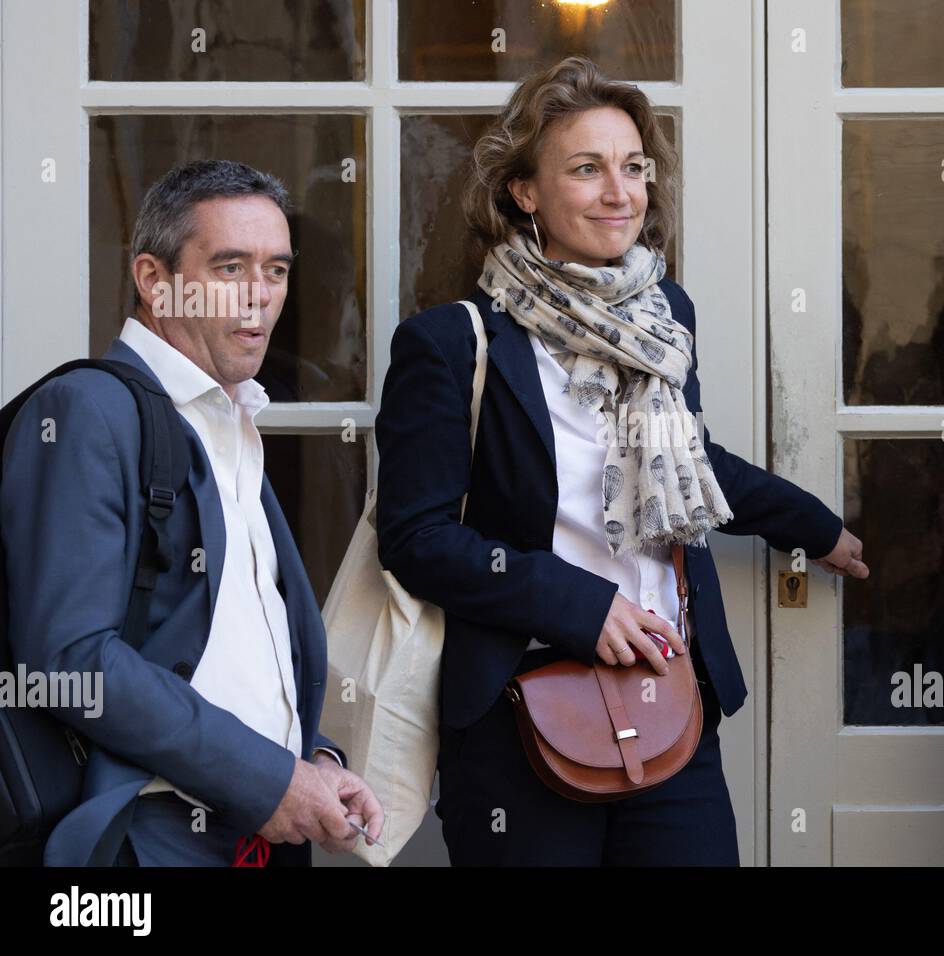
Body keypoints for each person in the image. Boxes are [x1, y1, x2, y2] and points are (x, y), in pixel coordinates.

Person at [376, 56, 868, 866]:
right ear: (524, 191)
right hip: (518, 717)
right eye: (587, 169)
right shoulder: (449, 344)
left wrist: (811, 525)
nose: (620, 192)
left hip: (671, 704)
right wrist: (578, 605)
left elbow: (689, 461)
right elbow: (417, 536)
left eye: (633, 167)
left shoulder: (664, 317)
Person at [0, 160, 383, 866]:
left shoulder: (231, 419)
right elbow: (69, 658)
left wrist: (314, 762)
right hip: (145, 841)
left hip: (257, 834)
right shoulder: (88, 410)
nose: (258, 298)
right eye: (230, 268)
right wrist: (268, 779)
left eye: (275, 270)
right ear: (154, 280)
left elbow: (240, 649)